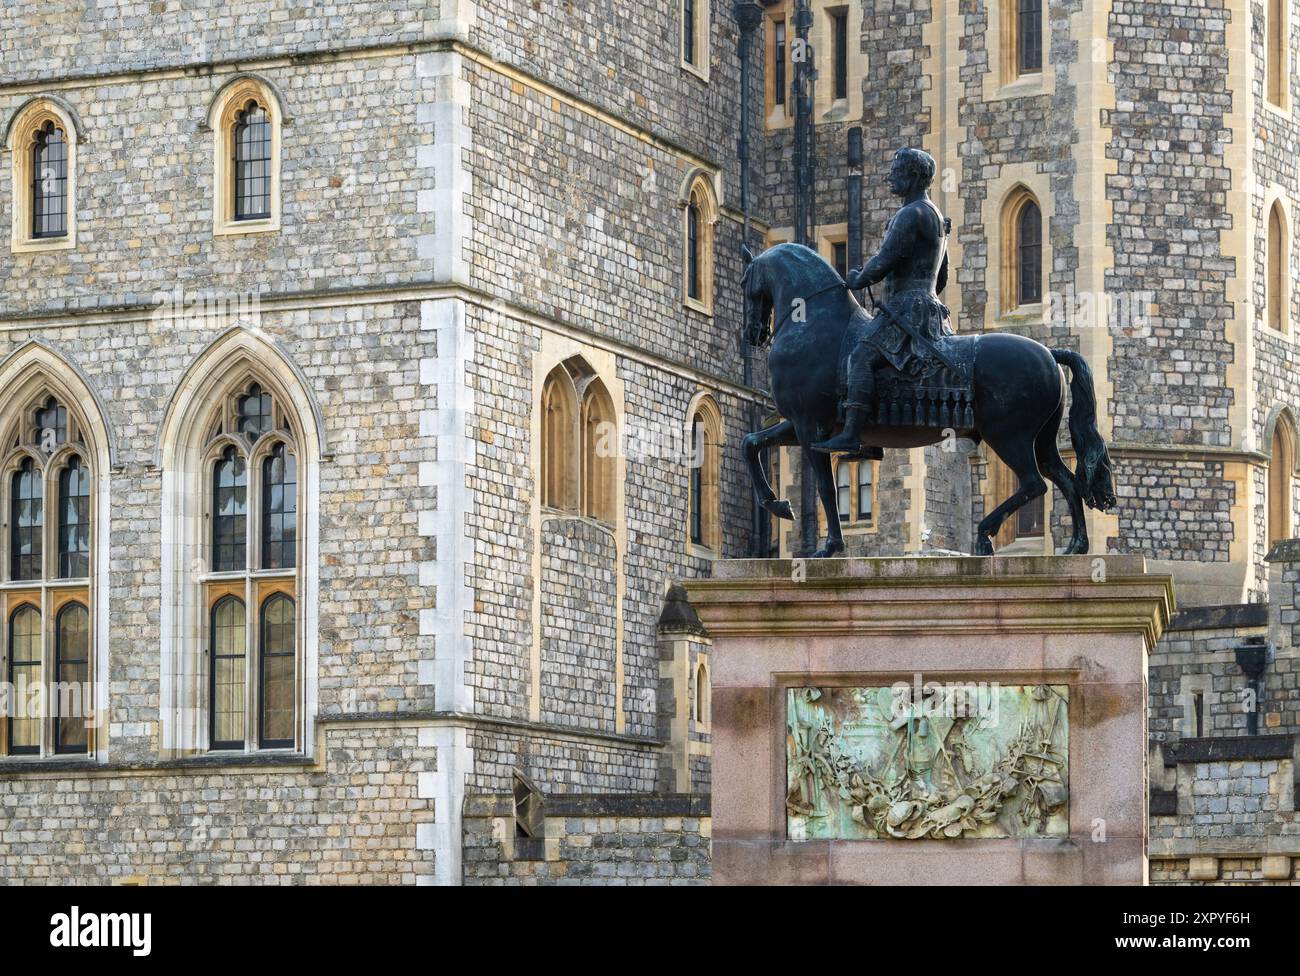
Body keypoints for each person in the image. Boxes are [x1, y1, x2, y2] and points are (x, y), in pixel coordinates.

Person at [813, 147, 953, 455]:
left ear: (914, 177)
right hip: (930, 309)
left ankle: (853, 435)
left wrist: (857, 279)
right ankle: (873, 436)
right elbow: (941, 281)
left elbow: (884, 260)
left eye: (897, 171)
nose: (891, 177)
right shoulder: (937, 219)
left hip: (907, 310)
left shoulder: (910, 214)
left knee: (860, 358)